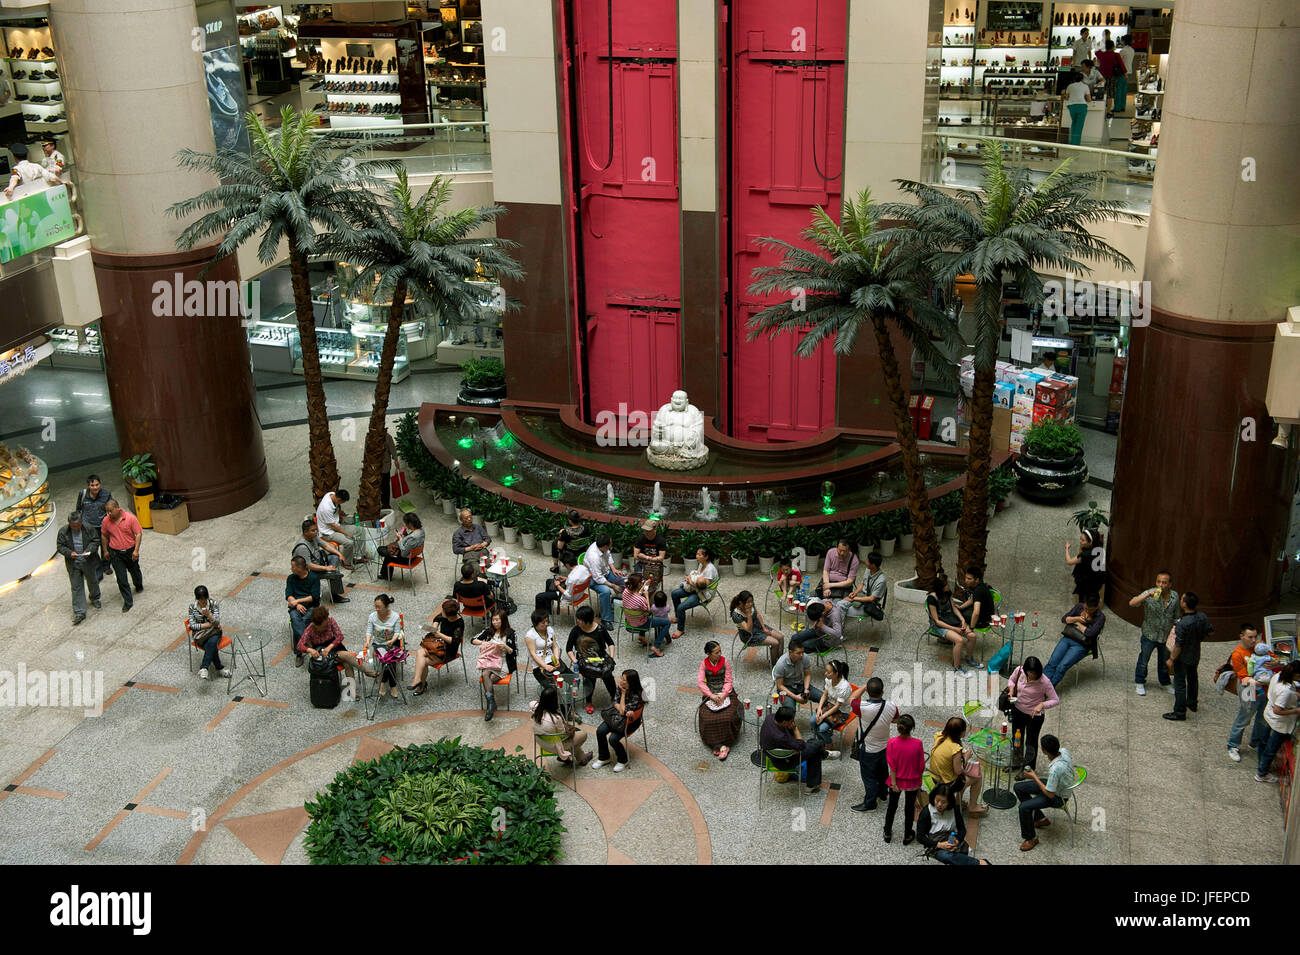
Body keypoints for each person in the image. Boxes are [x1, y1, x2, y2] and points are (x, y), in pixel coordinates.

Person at [1015, 734, 1077, 851]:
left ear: (1044, 751)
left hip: (1058, 797)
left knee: (1023, 808)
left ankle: (1031, 838)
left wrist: (1034, 776)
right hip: (1057, 785)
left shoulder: (1055, 770)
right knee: (1018, 788)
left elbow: (1050, 794)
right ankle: (1039, 819)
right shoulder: (1064, 751)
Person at [848, 677, 899, 812]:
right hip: (884, 747)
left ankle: (870, 803)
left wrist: (863, 688)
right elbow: (895, 720)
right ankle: (883, 793)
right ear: (882, 692)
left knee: (869, 777)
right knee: (883, 772)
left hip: (868, 749)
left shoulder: (861, 707)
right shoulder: (891, 705)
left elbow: (851, 698)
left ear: (868, 693)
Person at [1222, 625, 1270, 761]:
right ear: (1241, 636)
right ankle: (1232, 745)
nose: (1254, 640)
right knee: (1244, 718)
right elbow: (1243, 677)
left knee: (1262, 718)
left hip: (1264, 691)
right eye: (1250, 637)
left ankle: (1255, 742)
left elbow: (1272, 657)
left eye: (1255, 637)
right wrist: (1264, 681)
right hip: (1248, 690)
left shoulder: (1260, 646)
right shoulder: (1237, 654)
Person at [1164, 591, 1212, 721]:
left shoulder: (1183, 623)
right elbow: (1209, 631)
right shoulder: (1202, 617)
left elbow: (1178, 645)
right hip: (1195, 654)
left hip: (1182, 658)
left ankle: (1179, 712)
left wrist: (1171, 659)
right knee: (1193, 678)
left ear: (1184, 604)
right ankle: (1192, 703)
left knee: (1179, 684)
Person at [758, 704, 825, 796]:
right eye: (791, 721)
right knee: (816, 744)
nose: (793, 722)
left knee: (814, 751)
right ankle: (824, 756)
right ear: (784, 721)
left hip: (771, 755)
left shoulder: (769, 718)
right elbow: (802, 745)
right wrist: (795, 728)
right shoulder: (780, 737)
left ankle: (812, 784)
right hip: (785, 762)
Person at [1129, 570, 1178, 696]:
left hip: (1165, 635)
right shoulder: (1149, 593)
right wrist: (1146, 595)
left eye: (1164, 582)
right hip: (1149, 634)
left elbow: (1176, 616)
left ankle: (1165, 682)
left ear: (1170, 584)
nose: (1161, 585)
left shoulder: (1175, 597)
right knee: (1144, 659)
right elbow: (1132, 603)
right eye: (1159, 582)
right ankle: (1139, 681)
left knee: (1164, 661)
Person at [1007, 656, 1059, 773]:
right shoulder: (1019, 671)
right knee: (1016, 738)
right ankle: (1015, 762)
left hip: (1034, 716)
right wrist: (1011, 690)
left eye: (1035, 673)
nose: (1032, 675)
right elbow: (1011, 680)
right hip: (1018, 710)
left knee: (1031, 743)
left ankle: (1028, 769)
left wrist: (1042, 704)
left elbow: (1055, 699)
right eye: (1030, 672)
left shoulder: (1045, 682)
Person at [918, 782, 990, 865]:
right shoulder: (927, 812)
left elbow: (962, 830)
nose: (939, 804)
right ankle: (979, 863)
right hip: (935, 842)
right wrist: (940, 845)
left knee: (955, 856)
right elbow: (920, 837)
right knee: (946, 856)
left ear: (949, 802)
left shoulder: (954, 810)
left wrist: (957, 840)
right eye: (937, 800)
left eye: (944, 802)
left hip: (951, 838)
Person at [1044, 594, 1106, 686]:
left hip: (1082, 644)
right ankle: (1039, 687)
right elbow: (1064, 619)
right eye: (1086, 608)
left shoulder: (1100, 617)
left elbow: (1090, 633)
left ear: (1096, 607)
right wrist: (1076, 618)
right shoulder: (1079, 607)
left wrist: (1079, 624)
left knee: (1062, 667)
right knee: (1052, 663)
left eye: (1090, 610)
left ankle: (1048, 690)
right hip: (1068, 637)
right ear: (1084, 604)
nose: (1087, 611)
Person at [591, 669, 645, 772]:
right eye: (621, 677)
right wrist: (620, 706)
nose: (620, 680)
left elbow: (621, 710)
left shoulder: (637, 696)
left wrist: (623, 695)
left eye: (623, 679)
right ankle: (604, 758)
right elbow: (615, 702)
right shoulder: (621, 687)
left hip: (630, 722)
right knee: (600, 731)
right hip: (616, 717)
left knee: (613, 739)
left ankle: (623, 760)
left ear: (630, 682)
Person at [931, 716, 985, 816]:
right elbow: (958, 771)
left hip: (935, 777)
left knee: (964, 778)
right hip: (947, 783)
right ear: (960, 733)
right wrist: (966, 757)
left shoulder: (938, 736)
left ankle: (957, 801)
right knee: (977, 777)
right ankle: (972, 806)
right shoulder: (955, 748)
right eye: (964, 730)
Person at [566, 605, 616, 713]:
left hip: (600, 659)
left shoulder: (600, 629)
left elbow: (611, 643)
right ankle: (588, 701)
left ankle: (614, 696)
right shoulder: (576, 630)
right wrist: (574, 660)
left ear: (587, 620)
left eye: (579, 619)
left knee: (608, 677)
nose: (577, 621)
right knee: (589, 680)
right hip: (585, 661)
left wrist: (611, 657)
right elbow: (568, 649)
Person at [1255, 662, 1300, 784]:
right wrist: (1296, 710)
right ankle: (1262, 773)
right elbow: (1278, 710)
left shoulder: (1277, 676)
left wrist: (1295, 695)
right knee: (1271, 748)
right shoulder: (1285, 691)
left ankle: (1262, 764)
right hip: (1279, 722)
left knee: (1264, 743)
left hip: (1269, 716)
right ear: (1295, 674)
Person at [926, 573, 979, 675]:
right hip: (940, 625)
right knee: (959, 640)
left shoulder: (947, 593)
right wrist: (955, 629)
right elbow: (937, 621)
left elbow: (954, 607)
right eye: (946, 584)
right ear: (940, 587)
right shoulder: (932, 599)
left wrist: (962, 620)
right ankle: (957, 667)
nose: (948, 585)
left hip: (951, 620)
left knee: (972, 636)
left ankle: (969, 658)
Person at [697, 640, 742, 760]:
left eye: (720, 651)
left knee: (728, 716)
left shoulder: (725, 662)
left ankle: (722, 744)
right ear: (708, 654)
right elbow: (701, 682)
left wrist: (723, 695)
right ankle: (720, 745)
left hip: (726, 693)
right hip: (710, 694)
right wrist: (711, 695)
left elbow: (728, 680)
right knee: (707, 718)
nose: (719, 654)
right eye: (716, 652)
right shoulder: (703, 664)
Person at [884, 714, 925, 845]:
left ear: (898, 727)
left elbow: (892, 766)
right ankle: (907, 835)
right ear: (912, 728)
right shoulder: (918, 744)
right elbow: (921, 766)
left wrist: (894, 783)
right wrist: (919, 778)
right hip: (912, 781)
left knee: (892, 806)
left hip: (896, 781)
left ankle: (887, 832)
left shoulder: (891, 743)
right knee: (909, 808)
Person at [297, 605, 369, 678]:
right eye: (323, 627)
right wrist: (310, 650)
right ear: (316, 625)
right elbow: (299, 645)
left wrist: (330, 647)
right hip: (322, 653)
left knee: (347, 663)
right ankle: (367, 671)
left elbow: (340, 636)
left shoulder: (330, 621)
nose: (326, 626)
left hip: (334, 646)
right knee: (347, 657)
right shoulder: (310, 629)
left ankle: (351, 688)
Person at [56, 510, 100, 625]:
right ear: (69, 524)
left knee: (92, 581)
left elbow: (96, 541)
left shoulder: (89, 528)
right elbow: (60, 546)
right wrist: (69, 553)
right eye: (73, 526)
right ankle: (79, 612)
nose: (75, 528)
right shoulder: (63, 532)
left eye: (77, 525)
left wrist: (89, 550)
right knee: (76, 586)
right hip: (73, 563)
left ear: (81, 522)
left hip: (88, 561)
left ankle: (95, 598)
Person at [531, 683, 592, 766]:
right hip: (555, 746)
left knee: (574, 738)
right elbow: (564, 735)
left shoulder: (536, 710)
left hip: (541, 742)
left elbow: (532, 703)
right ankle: (576, 757)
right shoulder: (555, 718)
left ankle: (579, 757)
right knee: (583, 734)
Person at [99, 499, 143, 613]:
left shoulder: (130, 518)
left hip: (130, 551)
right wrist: (105, 550)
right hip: (115, 553)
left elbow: (138, 534)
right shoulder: (106, 521)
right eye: (107, 511)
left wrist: (136, 550)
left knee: (135, 571)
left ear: (118, 508)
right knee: (121, 578)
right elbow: (104, 535)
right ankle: (128, 601)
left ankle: (138, 584)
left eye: (110, 511)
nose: (109, 514)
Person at [471, 608, 515, 719]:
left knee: (486, 678)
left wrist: (505, 646)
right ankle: (491, 704)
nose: (494, 622)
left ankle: (491, 705)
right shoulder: (488, 631)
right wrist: (485, 643)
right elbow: (473, 640)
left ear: (503, 620)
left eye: (497, 620)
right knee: (485, 674)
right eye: (493, 620)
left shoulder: (510, 633)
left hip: (504, 663)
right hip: (490, 660)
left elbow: (514, 652)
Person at [292, 518, 348, 603]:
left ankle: (331, 573)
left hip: (319, 562)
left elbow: (325, 546)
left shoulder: (314, 537)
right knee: (335, 574)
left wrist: (339, 554)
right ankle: (335, 594)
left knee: (335, 557)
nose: (316, 532)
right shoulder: (302, 547)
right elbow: (308, 565)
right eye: (313, 530)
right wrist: (326, 568)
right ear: (305, 532)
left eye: (316, 530)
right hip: (311, 571)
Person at [362, 594, 404, 699]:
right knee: (387, 660)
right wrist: (367, 641)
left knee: (389, 659)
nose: (377, 609)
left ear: (386, 606)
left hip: (392, 643)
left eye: (379, 607)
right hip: (378, 643)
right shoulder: (372, 616)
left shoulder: (395, 617)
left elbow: (397, 632)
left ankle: (384, 682)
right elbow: (369, 631)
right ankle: (392, 685)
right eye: (375, 606)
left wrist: (392, 640)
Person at [671, 546, 718, 638]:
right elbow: (696, 575)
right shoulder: (701, 564)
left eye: (699, 554)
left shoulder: (710, 569)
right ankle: (678, 617)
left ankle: (680, 629)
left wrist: (691, 582)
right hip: (694, 588)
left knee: (681, 607)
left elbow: (703, 587)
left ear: (706, 557)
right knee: (674, 594)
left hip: (703, 594)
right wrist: (690, 577)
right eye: (697, 554)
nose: (697, 556)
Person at [583, 534, 627, 630]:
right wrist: (613, 586)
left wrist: (614, 569)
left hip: (605, 572)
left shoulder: (602, 546)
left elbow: (608, 556)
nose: (612, 544)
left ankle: (628, 607)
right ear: (605, 546)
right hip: (592, 579)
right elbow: (598, 578)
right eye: (610, 544)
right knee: (606, 591)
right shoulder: (593, 557)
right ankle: (606, 619)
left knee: (625, 581)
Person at [730, 590, 784, 667]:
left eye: (751, 601)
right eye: (748, 602)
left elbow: (758, 615)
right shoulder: (736, 615)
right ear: (741, 603)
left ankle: (781, 661)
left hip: (758, 627)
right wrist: (748, 614)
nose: (751, 604)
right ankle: (774, 665)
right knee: (775, 643)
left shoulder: (750, 605)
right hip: (749, 635)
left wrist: (764, 628)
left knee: (781, 637)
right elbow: (748, 629)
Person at [621, 573, 671, 656]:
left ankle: (641, 636)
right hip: (641, 623)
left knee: (638, 612)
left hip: (629, 621)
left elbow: (634, 593)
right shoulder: (641, 600)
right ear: (638, 584)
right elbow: (648, 610)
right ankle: (656, 646)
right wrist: (646, 595)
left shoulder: (625, 591)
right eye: (641, 582)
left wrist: (643, 585)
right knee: (667, 622)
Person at [187, 585, 230, 680]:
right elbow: (192, 625)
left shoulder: (213, 604)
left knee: (212, 642)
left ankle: (204, 667)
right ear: (197, 598)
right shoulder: (192, 607)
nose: (203, 601)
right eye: (200, 599)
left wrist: (208, 615)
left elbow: (217, 621)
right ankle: (219, 668)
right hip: (200, 636)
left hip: (214, 633)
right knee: (212, 645)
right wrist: (210, 624)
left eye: (204, 599)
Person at [75, 474, 111, 582]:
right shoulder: (82, 494)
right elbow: (78, 509)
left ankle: (106, 566)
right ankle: (98, 570)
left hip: (102, 525)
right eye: (92, 485)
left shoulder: (106, 494)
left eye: (97, 484)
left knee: (105, 546)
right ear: (88, 486)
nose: (95, 487)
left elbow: (110, 508)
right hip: (88, 527)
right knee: (93, 549)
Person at [285, 556, 321, 664]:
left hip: (311, 606)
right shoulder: (291, 578)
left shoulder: (313, 578)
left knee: (303, 621)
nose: (291, 569)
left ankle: (299, 651)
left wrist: (298, 601)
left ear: (300, 567)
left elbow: (314, 596)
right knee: (295, 618)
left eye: (293, 566)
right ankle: (308, 643)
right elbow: (288, 595)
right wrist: (296, 605)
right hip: (296, 607)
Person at [812, 659, 853, 748]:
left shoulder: (844, 687)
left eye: (828, 672)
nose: (825, 674)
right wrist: (819, 708)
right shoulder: (828, 680)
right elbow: (824, 695)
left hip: (841, 712)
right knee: (813, 721)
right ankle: (820, 740)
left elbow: (837, 706)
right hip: (829, 706)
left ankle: (828, 743)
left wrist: (823, 716)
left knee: (822, 728)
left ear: (836, 674)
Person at [525, 608, 570, 688]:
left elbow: (555, 646)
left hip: (552, 661)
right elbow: (533, 654)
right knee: (551, 688)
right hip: (539, 665)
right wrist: (545, 666)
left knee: (572, 678)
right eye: (543, 622)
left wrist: (556, 658)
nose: (546, 624)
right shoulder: (530, 635)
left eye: (547, 621)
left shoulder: (549, 630)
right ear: (536, 623)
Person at [836, 551, 886, 622]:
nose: (866, 561)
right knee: (839, 604)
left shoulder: (881, 580)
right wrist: (855, 593)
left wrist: (854, 598)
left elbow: (871, 598)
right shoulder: (868, 569)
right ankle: (838, 627)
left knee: (840, 607)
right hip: (862, 595)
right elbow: (863, 584)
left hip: (870, 603)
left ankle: (838, 629)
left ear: (873, 565)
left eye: (867, 560)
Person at [315, 488, 358, 567]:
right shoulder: (326, 508)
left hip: (337, 525)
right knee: (349, 542)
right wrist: (347, 533)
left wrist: (340, 513)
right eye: (343, 502)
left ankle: (356, 557)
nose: (343, 503)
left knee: (359, 530)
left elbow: (337, 510)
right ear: (339, 499)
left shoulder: (331, 494)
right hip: (328, 532)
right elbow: (334, 527)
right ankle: (346, 562)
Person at [376, 512, 424, 581]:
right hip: (414, 555)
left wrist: (400, 539)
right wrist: (406, 534)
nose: (405, 525)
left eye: (406, 523)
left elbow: (403, 554)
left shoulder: (413, 536)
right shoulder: (421, 531)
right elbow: (412, 543)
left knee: (381, 550)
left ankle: (385, 575)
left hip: (408, 560)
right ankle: (385, 575)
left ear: (410, 524)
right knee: (388, 551)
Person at [538, 548, 586, 615]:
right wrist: (566, 578)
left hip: (570, 597)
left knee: (539, 597)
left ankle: (540, 617)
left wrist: (558, 585)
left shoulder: (572, 578)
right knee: (548, 581)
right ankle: (548, 608)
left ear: (567, 565)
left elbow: (568, 595)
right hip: (579, 592)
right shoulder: (583, 568)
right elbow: (578, 580)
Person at [772, 644, 820, 712]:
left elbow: (807, 674)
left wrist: (806, 689)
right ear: (790, 652)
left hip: (800, 685)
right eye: (798, 653)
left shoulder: (804, 657)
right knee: (789, 710)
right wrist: (796, 697)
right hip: (786, 688)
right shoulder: (781, 664)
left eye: (802, 652)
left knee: (823, 698)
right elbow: (780, 685)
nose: (801, 655)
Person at [1065, 528, 1107, 603]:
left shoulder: (1085, 555)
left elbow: (1069, 561)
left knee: (1083, 602)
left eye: (1083, 540)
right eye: (1080, 538)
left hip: (1086, 584)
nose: (1080, 541)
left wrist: (1067, 549)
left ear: (1090, 542)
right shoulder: (1100, 551)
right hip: (1096, 584)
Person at [955, 565, 995, 631]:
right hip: (986, 618)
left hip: (983, 622)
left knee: (955, 613)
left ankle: (953, 636)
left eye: (969, 579)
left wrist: (971, 628)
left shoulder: (978, 591)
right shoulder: (982, 585)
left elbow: (976, 612)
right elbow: (973, 599)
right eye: (966, 578)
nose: (966, 580)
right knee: (958, 610)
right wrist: (961, 607)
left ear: (977, 580)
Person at [631, 518, 667, 587]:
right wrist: (652, 559)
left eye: (648, 531)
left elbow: (661, 558)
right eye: (645, 530)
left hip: (655, 565)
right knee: (636, 580)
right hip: (641, 563)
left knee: (652, 581)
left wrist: (646, 557)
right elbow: (636, 556)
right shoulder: (640, 538)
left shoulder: (661, 540)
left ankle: (648, 593)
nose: (646, 533)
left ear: (655, 530)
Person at [1095, 39, 1126, 113]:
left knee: (1101, 91)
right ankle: (1109, 110)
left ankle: (1101, 108)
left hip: (1102, 76)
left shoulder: (1101, 54)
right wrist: (1125, 74)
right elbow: (1122, 65)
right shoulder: (1116, 55)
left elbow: (1096, 50)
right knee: (1110, 93)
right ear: (1112, 46)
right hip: (1112, 76)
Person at [1062, 70, 1091, 145]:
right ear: (1082, 79)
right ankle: (1076, 143)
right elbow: (1089, 99)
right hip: (1082, 106)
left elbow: (1067, 97)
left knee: (1074, 123)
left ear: (1074, 79)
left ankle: (1072, 142)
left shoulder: (1070, 86)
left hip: (1072, 106)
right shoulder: (1085, 86)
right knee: (1079, 125)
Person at [378, 426, 400, 511]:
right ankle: (378, 502)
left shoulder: (387, 437)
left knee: (385, 486)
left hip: (384, 467)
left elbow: (392, 449)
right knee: (378, 485)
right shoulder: (370, 437)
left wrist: (396, 459)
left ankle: (386, 504)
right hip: (374, 468)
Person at [1115, 35, 1135, 111]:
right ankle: (1123, 106)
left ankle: (1117, 107)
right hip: (1129, 71)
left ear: (1124, 41)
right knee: (1124, 90)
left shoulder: (1123, 51)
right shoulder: (1132, 50)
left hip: (1122, 72)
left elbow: (1119, 62)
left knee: (1119, 90)